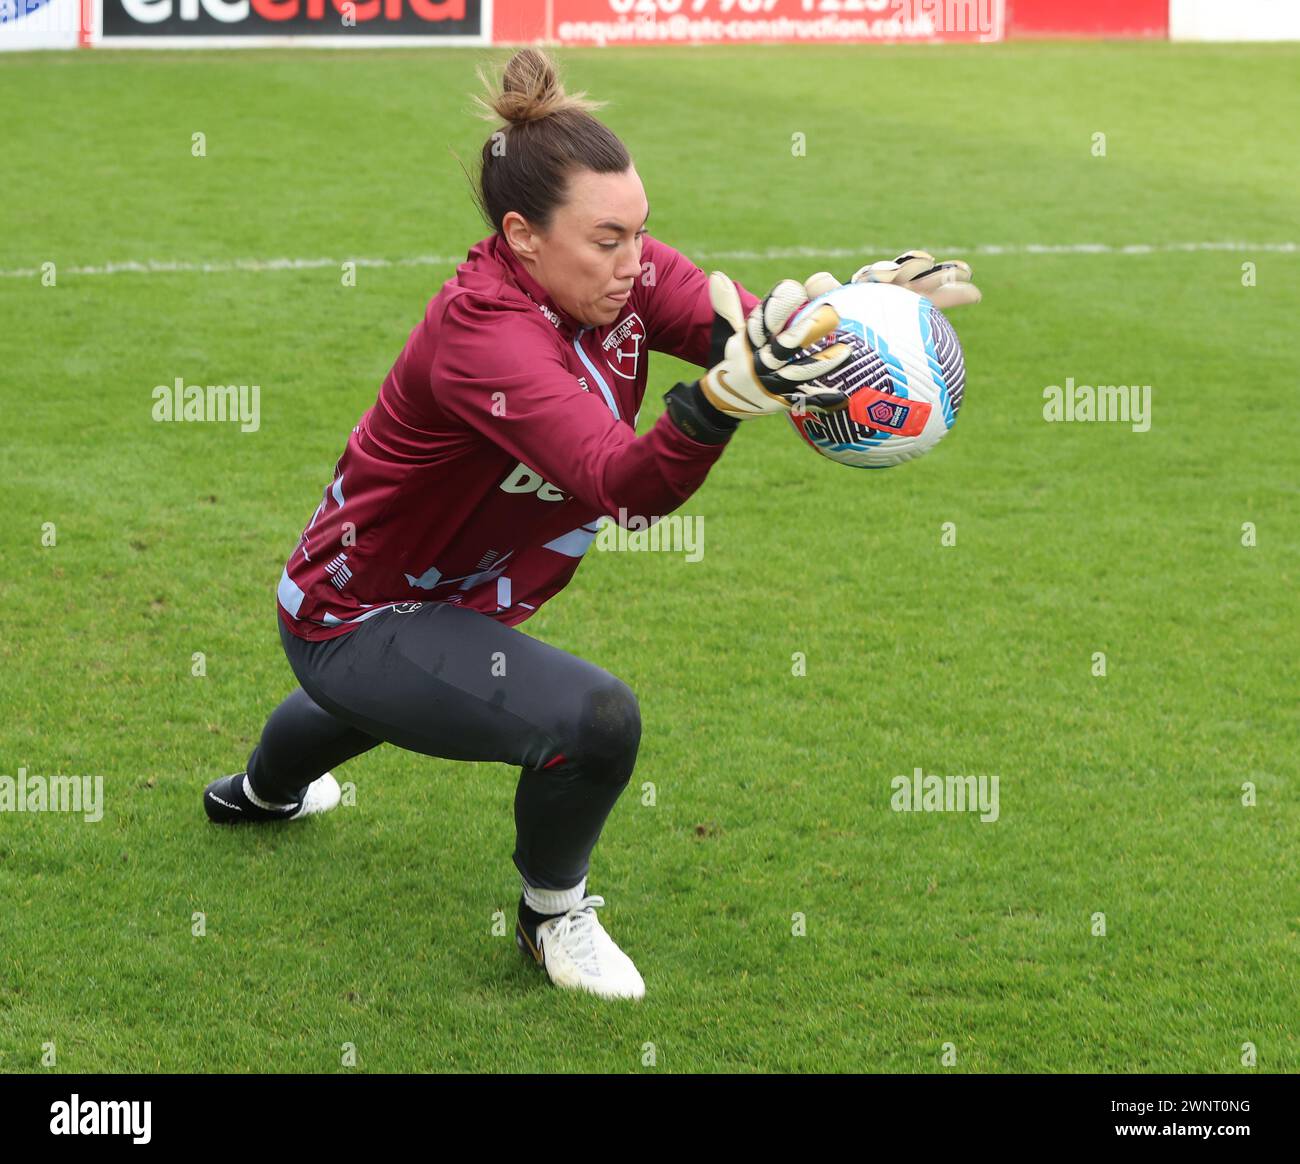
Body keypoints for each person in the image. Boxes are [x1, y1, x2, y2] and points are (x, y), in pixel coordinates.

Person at [202, 48, 980, 1001]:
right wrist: (718, 406)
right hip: (355, 611)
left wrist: (855, 321)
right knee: (592, 721)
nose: (635, 262)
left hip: (444, 597)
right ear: (523, 237)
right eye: (606, 240)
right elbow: (625, 484)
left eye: (640, 234)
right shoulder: (482, 333)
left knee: (389, 691)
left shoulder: (628, 281)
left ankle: (260, 794)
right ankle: (551, 917)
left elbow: (742, 327)